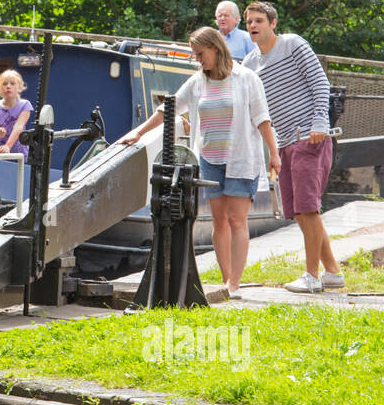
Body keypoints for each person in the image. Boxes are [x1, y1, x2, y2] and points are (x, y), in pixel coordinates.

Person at [120, 27, 280, 297]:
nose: (197, 59)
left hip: (240, 158)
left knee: (237, 219)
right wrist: (138, 132)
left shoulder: (246, 79)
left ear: (215, 49)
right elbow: (168, 109)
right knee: (219, 220)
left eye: (200, 53)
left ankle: (235, 284)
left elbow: (262, 118)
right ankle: (226, 279)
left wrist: (274, 153)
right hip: (209, 158)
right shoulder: (197, 82)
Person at [241, 1, 342, 293]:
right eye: (249, 22)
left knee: (309, 208)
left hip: (309, 138)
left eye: (259, 20)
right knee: (298, 211)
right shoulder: (249, 64)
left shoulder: (293, 44)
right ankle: (333, 272)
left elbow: (321, 84)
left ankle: (312, 276)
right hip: (283, 144)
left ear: (273, 23)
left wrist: (320, 122)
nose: (253, 26)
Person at [0, 69, 33, 157]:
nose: (8, 86)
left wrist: (7, 146)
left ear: (19, 87)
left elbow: (18, 127)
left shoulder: (25, 105)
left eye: (12, 83)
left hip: (20, 155)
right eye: (5, 84)